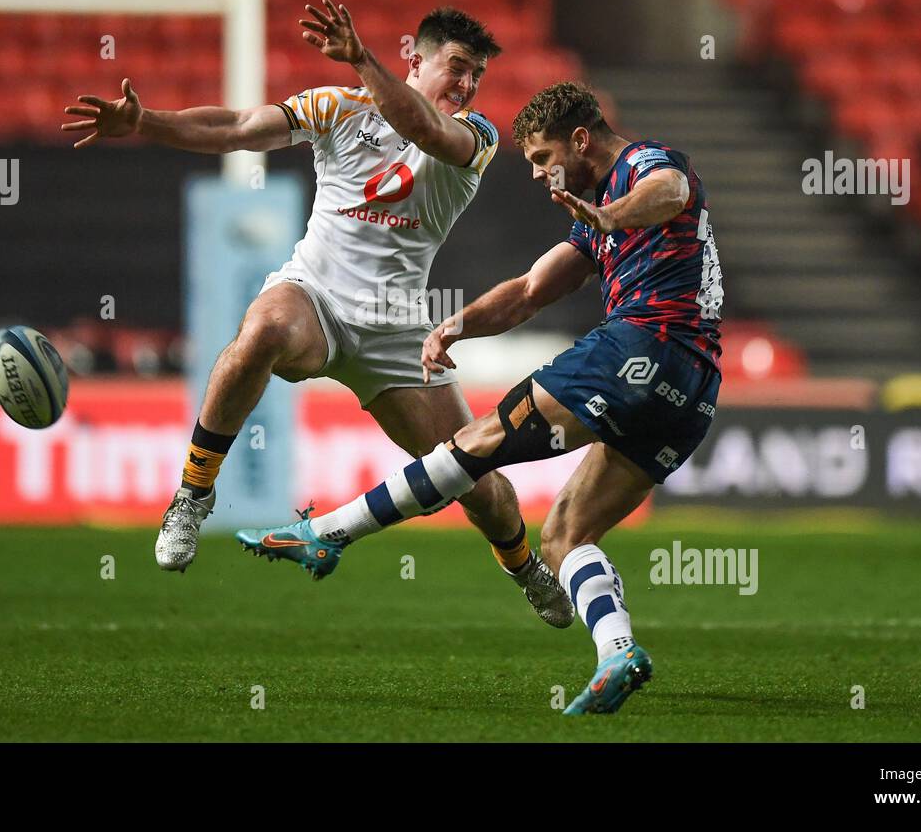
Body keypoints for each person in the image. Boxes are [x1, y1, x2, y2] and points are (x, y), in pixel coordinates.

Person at [60, 0, 573, 628]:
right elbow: (237, 127)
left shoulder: (478, 137)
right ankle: (193, 494)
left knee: (478, 482)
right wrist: (148, 124)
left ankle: (525, 568)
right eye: (458, 67)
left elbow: (425, 133)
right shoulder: (337, 107)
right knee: (264, 330)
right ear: (414, 55)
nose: (467, 86)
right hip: (317, 297)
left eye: (477, 76)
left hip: (398, 328)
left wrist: (361, 58)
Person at [237, 82, 725, 714]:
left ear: (580, 140)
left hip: (641, 344)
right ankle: (618, 652)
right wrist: (456, 325)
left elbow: (672, 192)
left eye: (544, 157)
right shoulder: (594, 222)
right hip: (693, 389)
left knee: (475, 443)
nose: (539, 173)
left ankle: (329, 532)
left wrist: (611, 215)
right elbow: (527, 291)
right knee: (565, 535)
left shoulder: (642, 168)